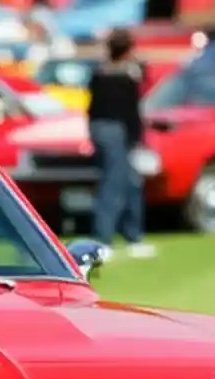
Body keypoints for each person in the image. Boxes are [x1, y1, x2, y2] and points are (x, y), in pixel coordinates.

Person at [86, 28, 154, 259]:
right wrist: (138, 138)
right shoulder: (125, 77)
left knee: (130, 182)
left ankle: (133, 235)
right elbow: (131, 111)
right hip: (117, 130)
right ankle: (103, 239)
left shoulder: (99, 74)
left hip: (101, 129)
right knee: (113, 184)